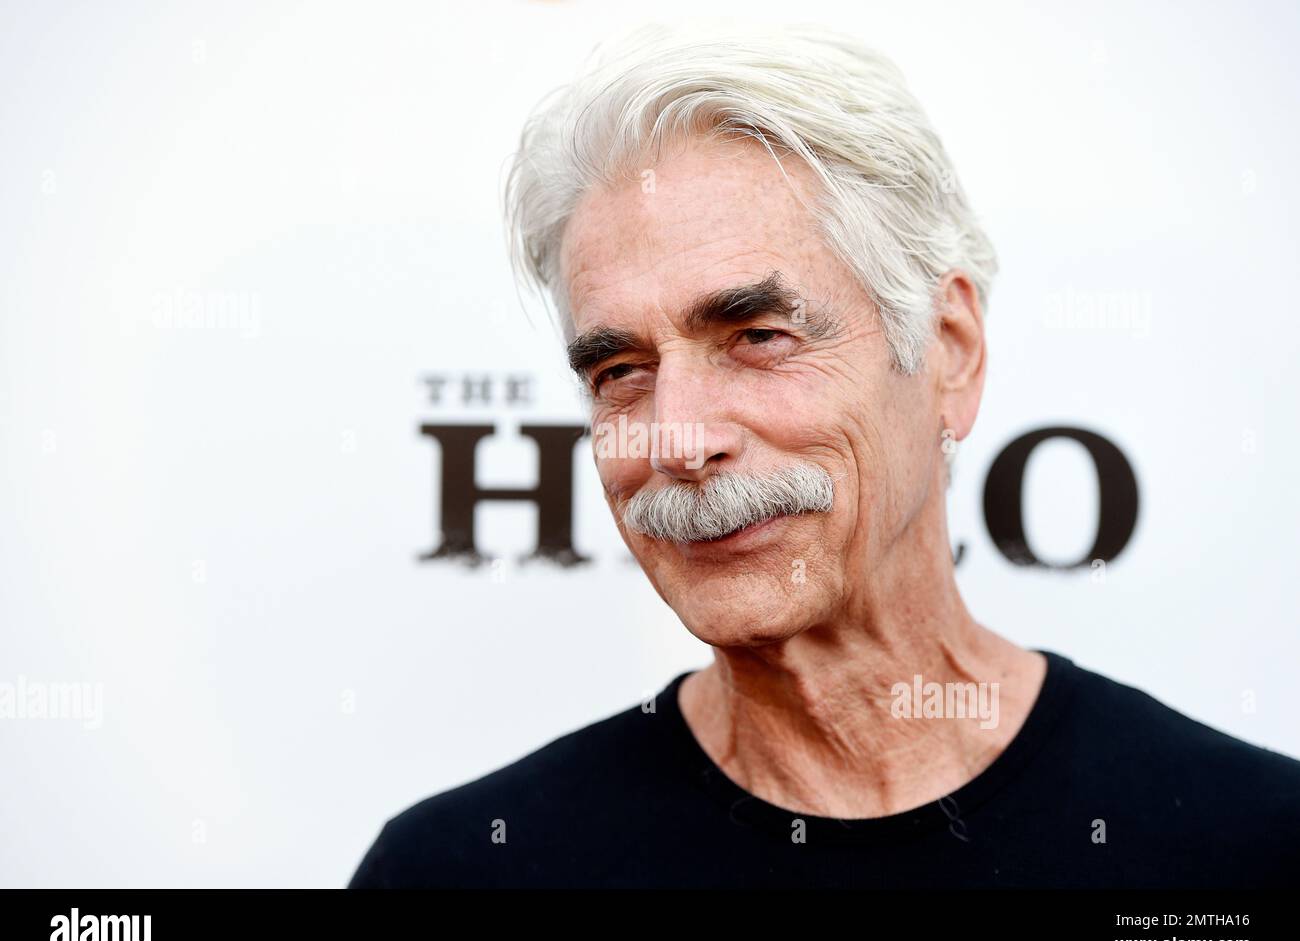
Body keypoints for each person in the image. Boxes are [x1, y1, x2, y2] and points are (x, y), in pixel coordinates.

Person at [350, 22, 1300, 887]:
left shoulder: (1243, 847)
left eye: (759, 335)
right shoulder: (459, 872)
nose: (678, 435)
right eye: (621, 371)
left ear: (949, 351)